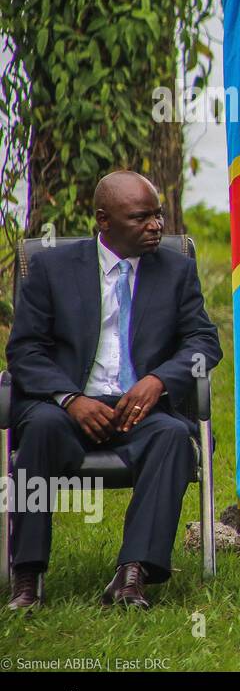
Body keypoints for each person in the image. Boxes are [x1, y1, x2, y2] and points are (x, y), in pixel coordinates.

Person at [5, 171, 223, 611]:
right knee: (42, 429)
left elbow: (203, 342)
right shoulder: (51, 268)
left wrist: (158, 380)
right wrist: (70, 398)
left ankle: (131, 576)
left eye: (158, 216)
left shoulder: (176, 269)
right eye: (142, 218)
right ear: (104, 220)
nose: (156, 226)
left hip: (141, 411)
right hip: (65, 409)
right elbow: (25, 351)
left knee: (172, 437)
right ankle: (27, 578)